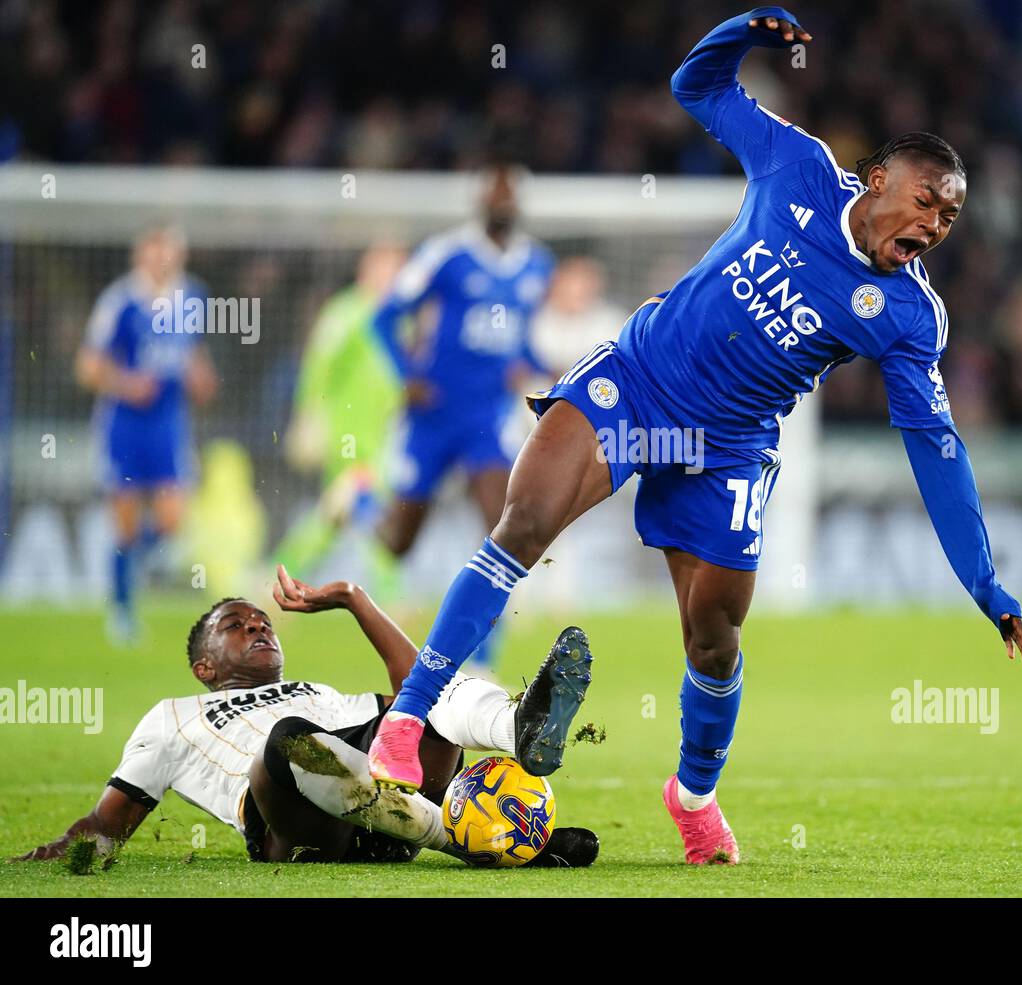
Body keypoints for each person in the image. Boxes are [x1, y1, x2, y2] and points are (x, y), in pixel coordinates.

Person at [367, 8, 1022, 866]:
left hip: (727, 448)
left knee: (714, 638)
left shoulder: (908, 316)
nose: (936, 223)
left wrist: (983, 580)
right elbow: (698, 86)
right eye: (925, 199)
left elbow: (935, 448)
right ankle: (407, 720)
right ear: (873, 181)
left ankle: (694, 795)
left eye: (950, 216)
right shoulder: (796, 167)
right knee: (520, 526)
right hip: (638, 384)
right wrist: (741, 32)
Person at [17, 566, 596, 867]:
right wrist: (55, 856)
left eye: (262, 621)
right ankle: (472, 835)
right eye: (236, 625)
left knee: (421, 698)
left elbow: (411, 693)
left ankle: (513, 726)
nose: (257, 626)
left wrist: (352, 598)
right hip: (299, 831)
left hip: (387, 808)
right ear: (203, 667)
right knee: (287, 739)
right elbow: (108, 824)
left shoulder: (314, 690)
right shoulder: (171, 717)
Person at [372, 163, 555, 667]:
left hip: (487, 418)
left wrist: (541, 368)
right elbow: (384, 318)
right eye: (494, 193)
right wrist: (405, 373)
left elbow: (517, 341)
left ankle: (482, 654)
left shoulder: (536, 264)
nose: (502, 203)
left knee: (503, 525)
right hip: (432, 415)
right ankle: (363, 507)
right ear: (480, 201)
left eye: (509, 194)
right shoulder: (446, 254)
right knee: (398, 544)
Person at [75, 225, 217, 643]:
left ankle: (129, 568)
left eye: (171, 252)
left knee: (173, 521)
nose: (164, 260)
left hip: (169, 423)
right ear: (141, 255)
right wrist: (126, 383)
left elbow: (190, 350)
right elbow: (87, 366)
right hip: (124, 424)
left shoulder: (193, 296)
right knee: (125, 522)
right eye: (156, 252)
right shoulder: (120, 301)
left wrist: (200, 375)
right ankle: (121, 612)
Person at [275, 241, 407, 594]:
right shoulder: (345, 311)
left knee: (334, 517)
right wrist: (308, 415)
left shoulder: (397, 319)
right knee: (371, 507)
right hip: (346, 433)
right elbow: (318, 363)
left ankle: (279, 575)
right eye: (387, 268)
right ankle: (393, 594)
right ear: (367, 270)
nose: (393, 277)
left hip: (381, 433)